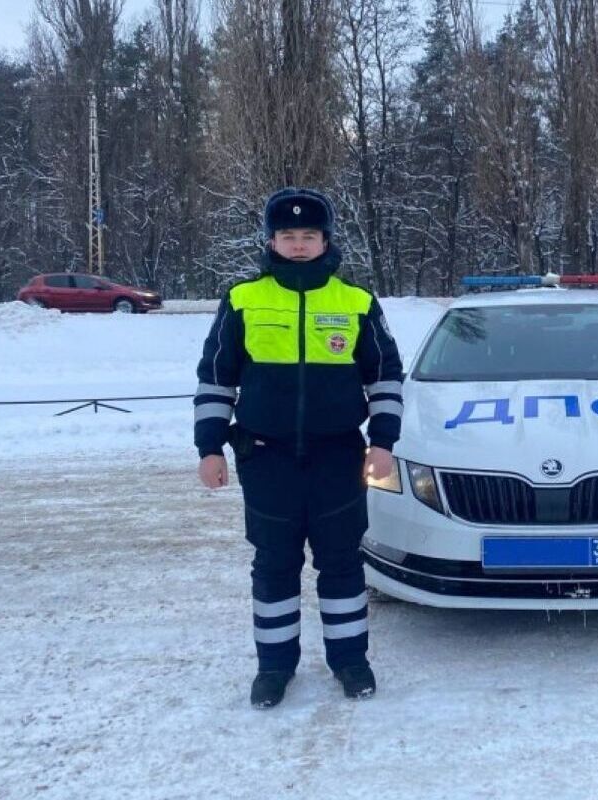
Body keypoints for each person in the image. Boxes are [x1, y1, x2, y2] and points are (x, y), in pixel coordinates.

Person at [194, 187, 404, 707]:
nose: (298, 243)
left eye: (308, 234)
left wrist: (382, 444)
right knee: (274, 565)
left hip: (339, 456)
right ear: (272, 240)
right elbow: (216, 379)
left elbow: (386, 378)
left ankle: (350, 661)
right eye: (288, 235)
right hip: (266, 457)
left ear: (325, 239)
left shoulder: (355, 302)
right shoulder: (243, 299)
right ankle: (274, 667)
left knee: (342, 565)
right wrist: (210, 447)